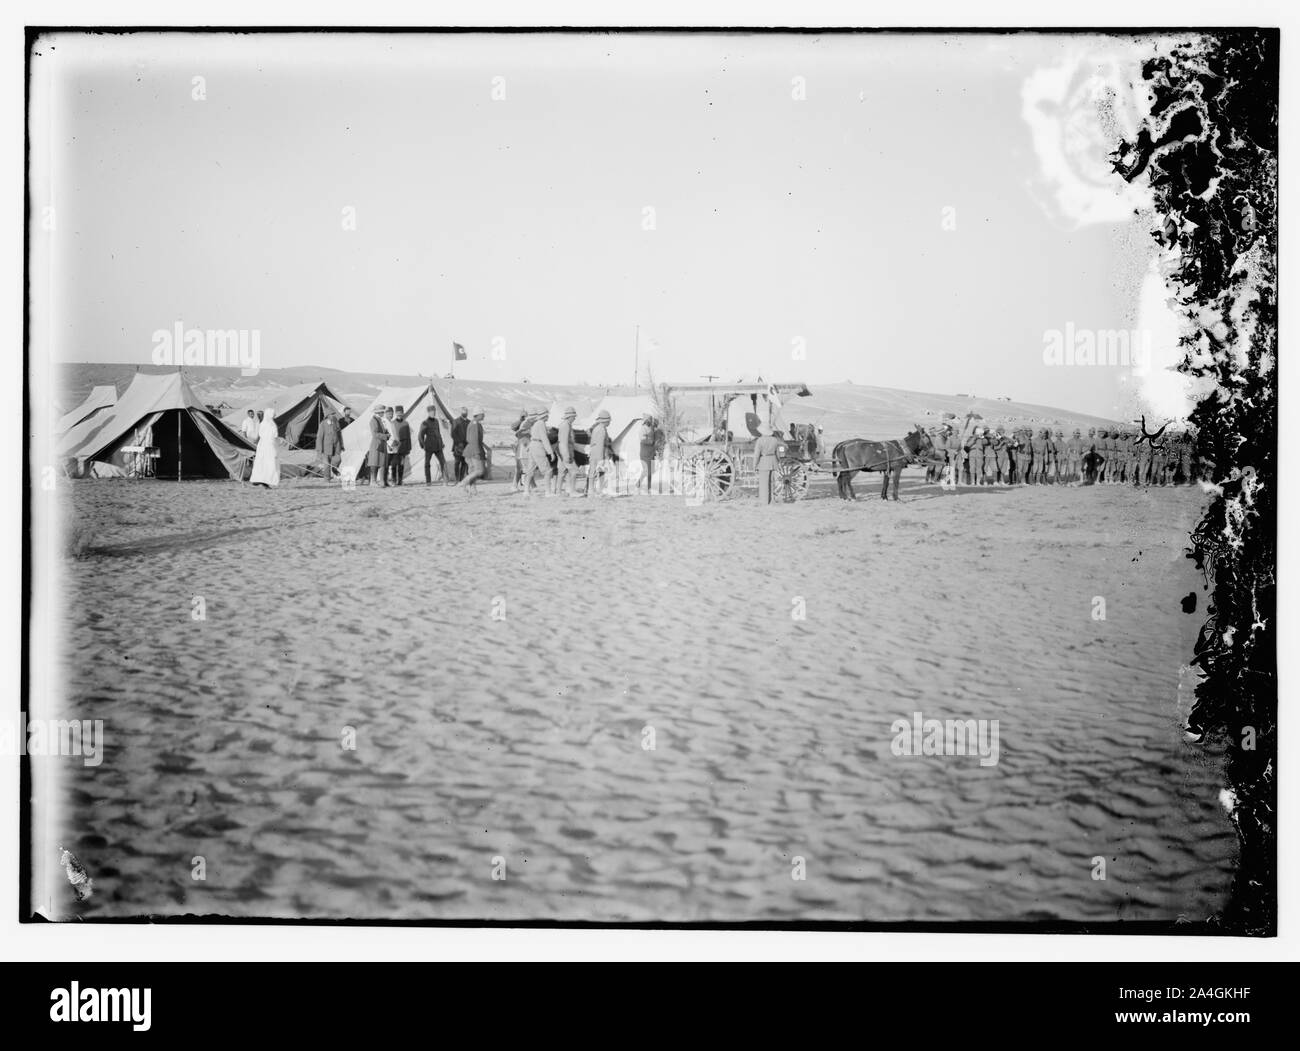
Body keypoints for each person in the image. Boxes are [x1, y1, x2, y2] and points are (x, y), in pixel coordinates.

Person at [525, 409, 557, 498]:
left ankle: (526, 491)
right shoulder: (541, 423)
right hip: (538, 446)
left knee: (530, 470)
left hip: (533, 446)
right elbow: (544, 438)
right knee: (548, 470)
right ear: (545, 415)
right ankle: (548, 492)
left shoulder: (536, 424)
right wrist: (551, 452)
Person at [459, 409, 488, 491]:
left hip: (471, 450)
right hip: (474, 451)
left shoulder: (474, 423)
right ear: (478, 414)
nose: (484, 416)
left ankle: (472, 489)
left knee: (472, 471)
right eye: (482, 414)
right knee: (480, 470)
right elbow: (474, 440)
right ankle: (464, 482)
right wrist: (477, 453)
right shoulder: (475, 424)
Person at [418, 405, 447, 484]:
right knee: (427, 464)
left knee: (443, 462)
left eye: (434, 411)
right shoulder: (425, 422)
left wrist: (442, 443)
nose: (433, 413)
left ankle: (445, 480)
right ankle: (428, 481)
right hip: (429, 446)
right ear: (428, 412)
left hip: (438, 445)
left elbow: (438, 433)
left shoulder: (437, 421)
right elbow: (420, 435)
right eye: (431, 411)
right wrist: (423, 445)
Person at [250, 409, 279, 488]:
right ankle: (266, 481)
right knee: (270, 463)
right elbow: (275, 436)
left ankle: (260, 479)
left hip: (262, 445)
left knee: (261, 463)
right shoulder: (272, 425)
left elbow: (257, 435)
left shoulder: (262, 424)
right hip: (270, 446)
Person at [587, 409, 613, 496]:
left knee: (599, 472)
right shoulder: (601, 430)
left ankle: (598, 490)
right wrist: (601, 459)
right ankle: (592, 490)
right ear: (606, 421)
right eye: (609, 420)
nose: (609, 422)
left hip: (598, 452)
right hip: (598, 453)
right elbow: (600, 444)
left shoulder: (599, 428)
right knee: (594, 472)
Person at [754, 428, 782, 505]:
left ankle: (764, 501)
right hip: (773, 461)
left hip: (763, 462)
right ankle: (771, 500)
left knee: (764, 483)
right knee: (772, 482)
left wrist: (755, 465)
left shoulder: (760, 440)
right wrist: (778, 461)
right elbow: (778, 454)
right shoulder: (775, 440)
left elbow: (757, 455)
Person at [557, 406, 580, 497]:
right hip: (565, 452)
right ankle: (572, 491)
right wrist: (566, 455)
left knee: (562, 472)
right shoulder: (565, 425)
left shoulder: (566, 425)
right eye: (573, 416)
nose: (574, 418)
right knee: (574, 471)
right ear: (569, 416)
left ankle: (558, 491)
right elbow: (563, 442)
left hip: (563, 452)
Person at [315, 409, 343, 480]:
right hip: (326, 447)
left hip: (336, 446)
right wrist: (319, 449)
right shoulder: (323, 424)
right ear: (328, 415)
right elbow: (319, 437)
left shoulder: (336, 422)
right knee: (327, 463)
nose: (333, 415)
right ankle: (327, 478)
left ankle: (334, 468)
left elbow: (339, 435)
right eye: (332, 414)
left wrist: (342, 445)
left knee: (338, 459)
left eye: (334, 414)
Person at [367, 404, 389, 486]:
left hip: (381, 443)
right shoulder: (373, 420)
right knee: (374, 463)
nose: (383, 413)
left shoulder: (380, 420)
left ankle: (382, 481)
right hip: (376, 444)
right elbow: (375, 434)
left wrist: (387, 434)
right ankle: (373, 481)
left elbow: (382, 431)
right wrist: (385, 436)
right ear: (378, 412)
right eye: (382, 412)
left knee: (382, 462)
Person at [637, 414, 659, 494]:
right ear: (645, 421)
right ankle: (643, 485)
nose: (649, 422)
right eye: (648, 421)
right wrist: (650, 441)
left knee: (651, 470)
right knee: (647, 470)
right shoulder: (642, 429)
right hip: (645, 452)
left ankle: (646, 486)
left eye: (650, 420)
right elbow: (642, 439)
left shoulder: (651, 428)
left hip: (651, 452)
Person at [390, 406, 412, 485]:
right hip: (395, 446)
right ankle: (393, 480)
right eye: (398, 412)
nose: (399, 414)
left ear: (402, 413)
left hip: (404, 446)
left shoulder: (406, 423)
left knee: (401, 464)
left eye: (401, 412)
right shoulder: (392, 423)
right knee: (394, 463)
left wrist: (409, 447)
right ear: (396, 413)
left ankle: (400, 480)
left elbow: (408, 436)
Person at [450, 406, 470, 482]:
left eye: (466, 412)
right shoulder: (456, 421)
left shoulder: (469, 422)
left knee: (464, 464)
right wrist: (459, 443)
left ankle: (461, 479)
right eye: (463, 412)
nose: (465, 413)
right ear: (461, 412)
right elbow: (453, 434)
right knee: (457, 463)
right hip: (458, 446)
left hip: (466, 447)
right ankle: (457, 479)